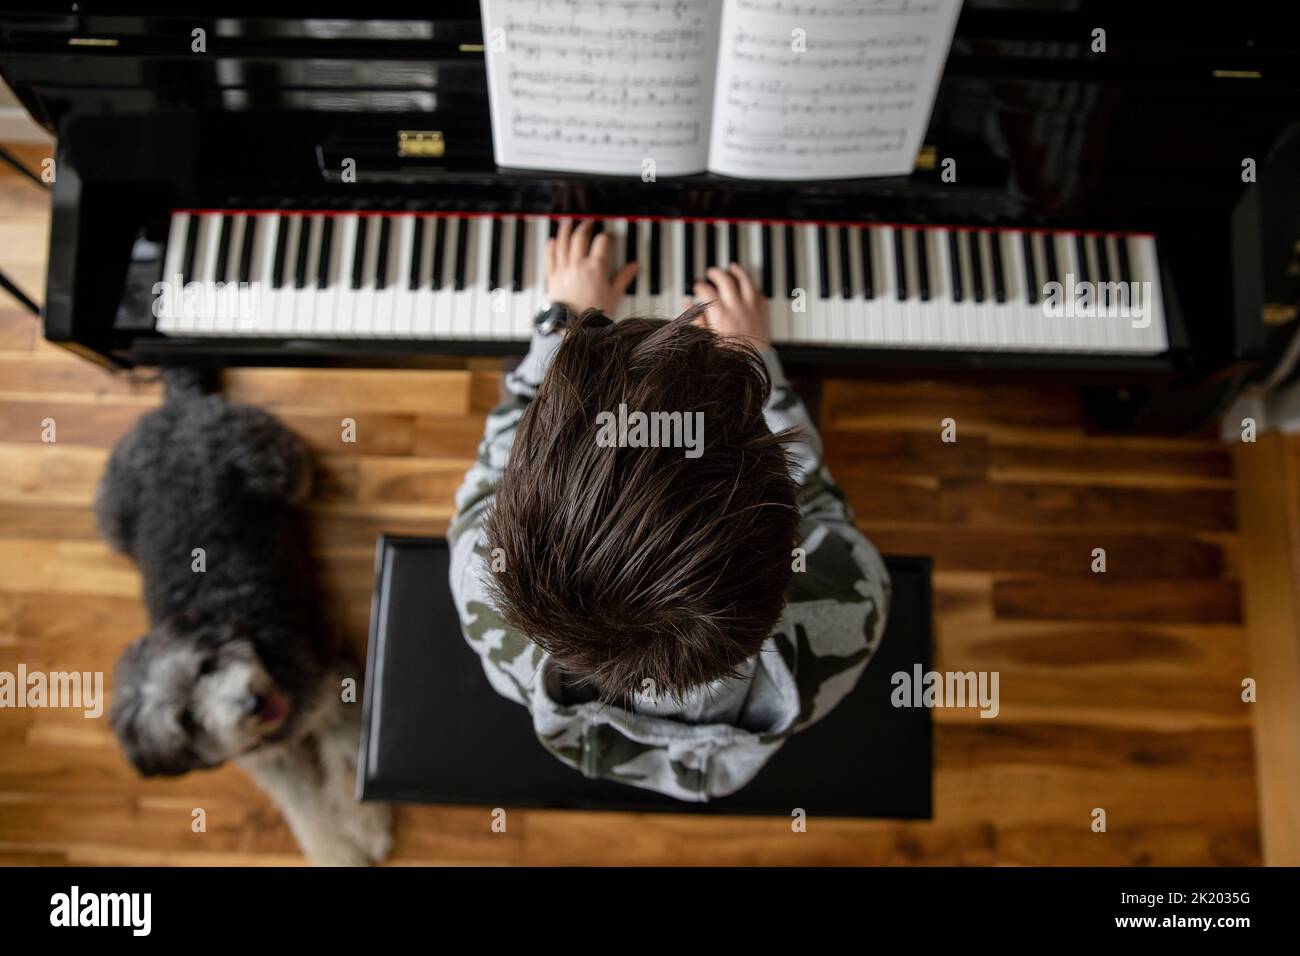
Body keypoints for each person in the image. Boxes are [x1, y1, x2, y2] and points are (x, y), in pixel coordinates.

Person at [448, 219, 889, 801]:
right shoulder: (851, 609)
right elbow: (819, 498)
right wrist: (761, 368)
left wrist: (560, 325)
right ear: (791, 549)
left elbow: (481, 489)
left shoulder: (482, 584)